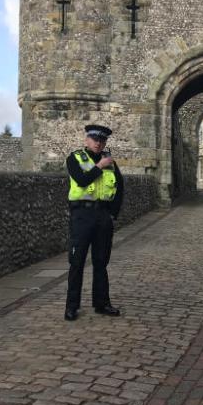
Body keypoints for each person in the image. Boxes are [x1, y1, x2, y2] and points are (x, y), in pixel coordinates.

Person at [64, 124, 124, 321]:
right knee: (77, 262)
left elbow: (120, 188)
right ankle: (72, 306)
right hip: (81, 215)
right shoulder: (75, 158)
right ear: (87, 140)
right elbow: (81, 180)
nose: (98, 143)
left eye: (102, 140)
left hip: (102, 217)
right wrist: (99, 166)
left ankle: (102, 303)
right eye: (95, 139)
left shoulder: (111, 163)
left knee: (101, 262)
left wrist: (112, 215)